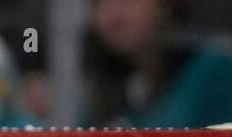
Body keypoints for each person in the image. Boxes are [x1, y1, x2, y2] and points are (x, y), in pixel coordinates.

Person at [84, 0, 232, 128]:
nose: (113, 10)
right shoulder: (105, 86)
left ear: (167, 4)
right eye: (100, 1)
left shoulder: (216, 70)